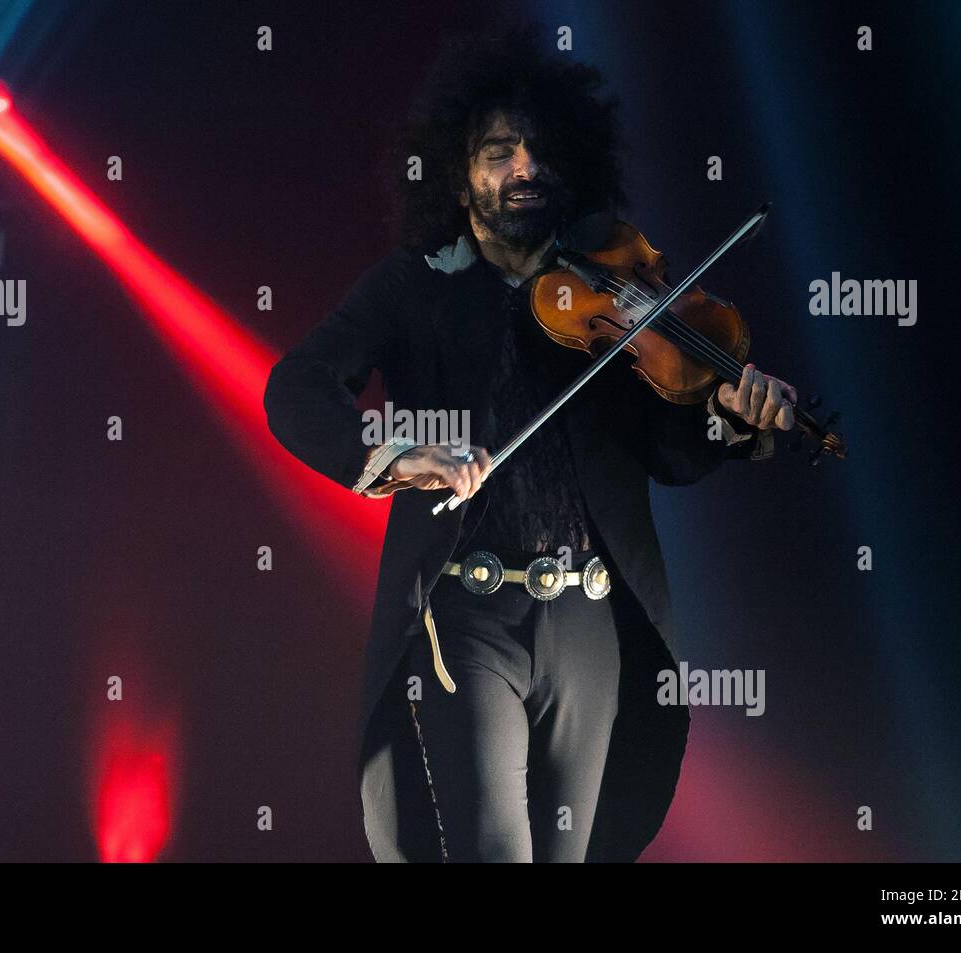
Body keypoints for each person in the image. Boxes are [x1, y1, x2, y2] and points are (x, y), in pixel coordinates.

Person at [264, 28, 794, 862]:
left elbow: (669, 452)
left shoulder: (614, 292)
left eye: (539, 151)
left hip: (590, 620)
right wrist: (392, 455)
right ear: (458, 171)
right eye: (498, 152)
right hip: (467, 610)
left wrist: (729, 418)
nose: (523, 170)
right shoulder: (414, 285)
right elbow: (294, 388)